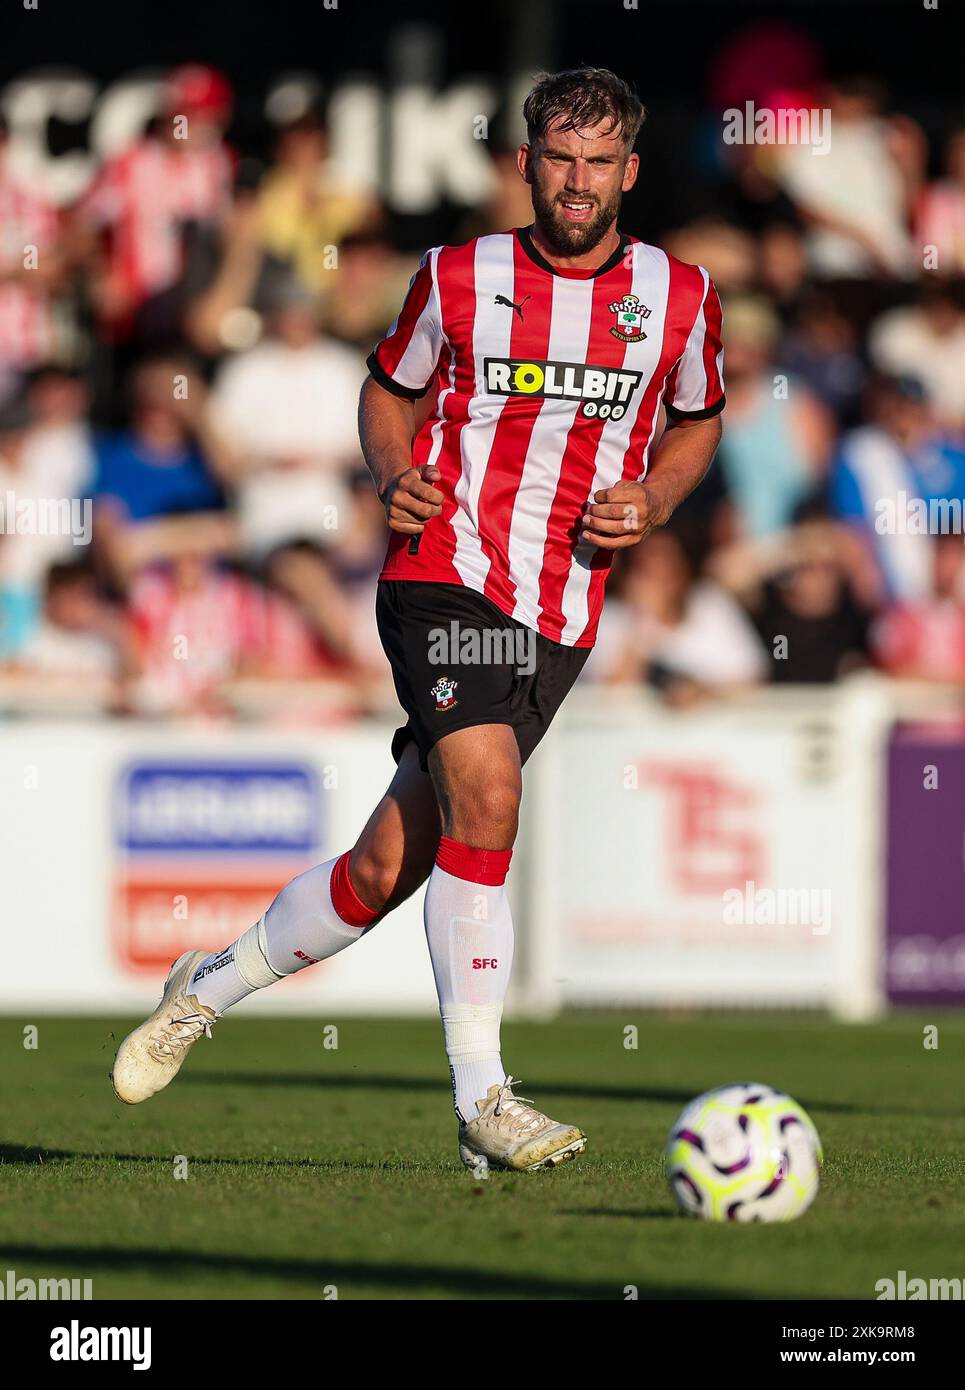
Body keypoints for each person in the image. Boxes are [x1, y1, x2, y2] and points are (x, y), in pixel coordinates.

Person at [111, 68, 725, 1173]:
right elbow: (388, 390)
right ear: (525, 163)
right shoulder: (456, 275)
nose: (575, 181)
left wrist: (658, 496)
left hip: (565, 601)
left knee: (386, 867)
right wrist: (391, 470)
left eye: (597, 163)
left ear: (629, 172)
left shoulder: (678, 296)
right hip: (443, 570)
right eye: (556, 158)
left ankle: (206, 985)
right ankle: (483, 1096)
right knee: (489, 790)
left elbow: (695, 419)